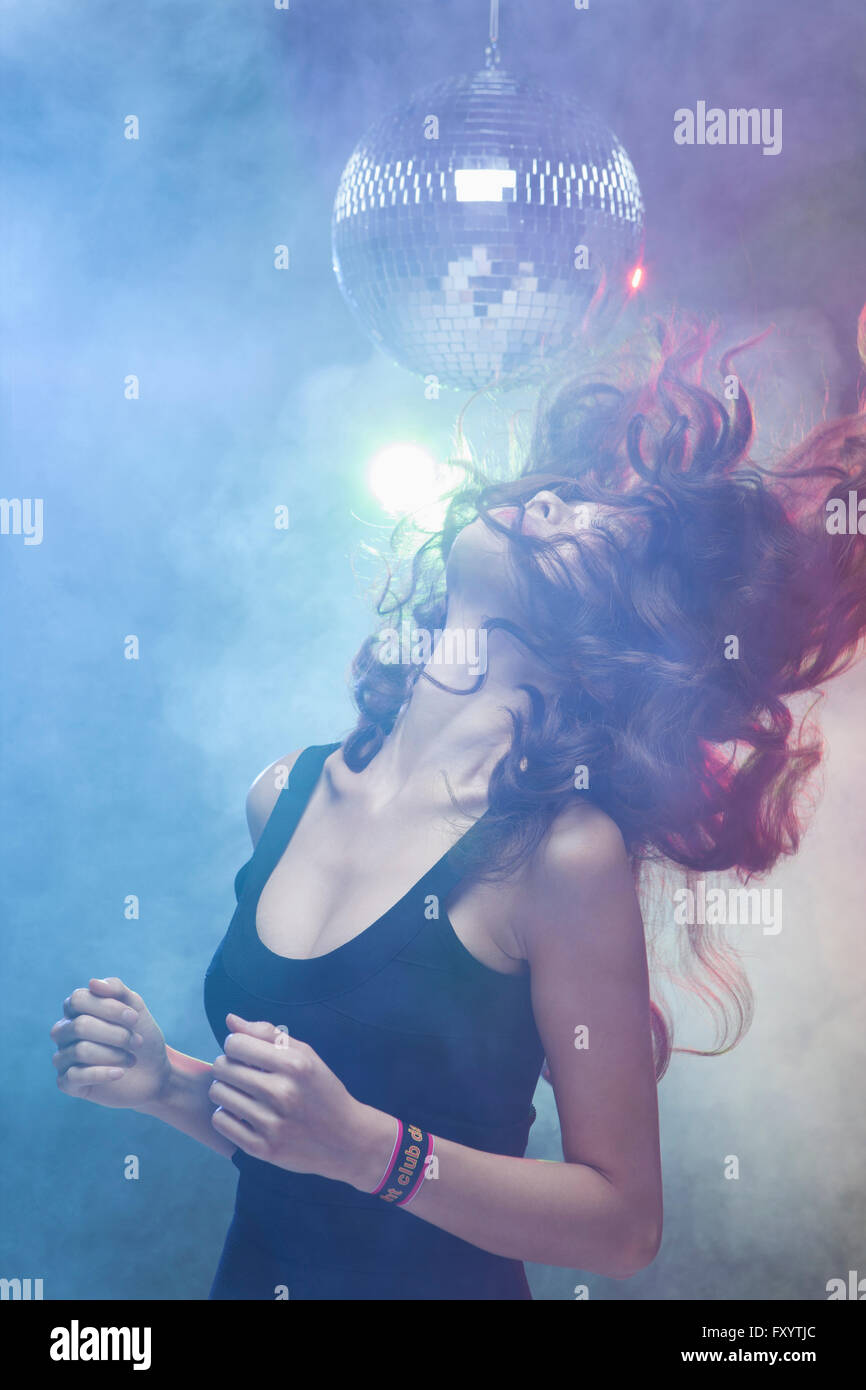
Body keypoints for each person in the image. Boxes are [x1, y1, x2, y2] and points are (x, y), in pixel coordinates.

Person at [49, 319, 866, 1300]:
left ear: (608, 630)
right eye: (573, 486)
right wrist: (170, 1083)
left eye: (602, 518)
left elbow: (621, 1223)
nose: (556, 496)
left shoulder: (562, 855)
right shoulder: (282, 793)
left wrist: (370, 1147)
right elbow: (294, 1158)